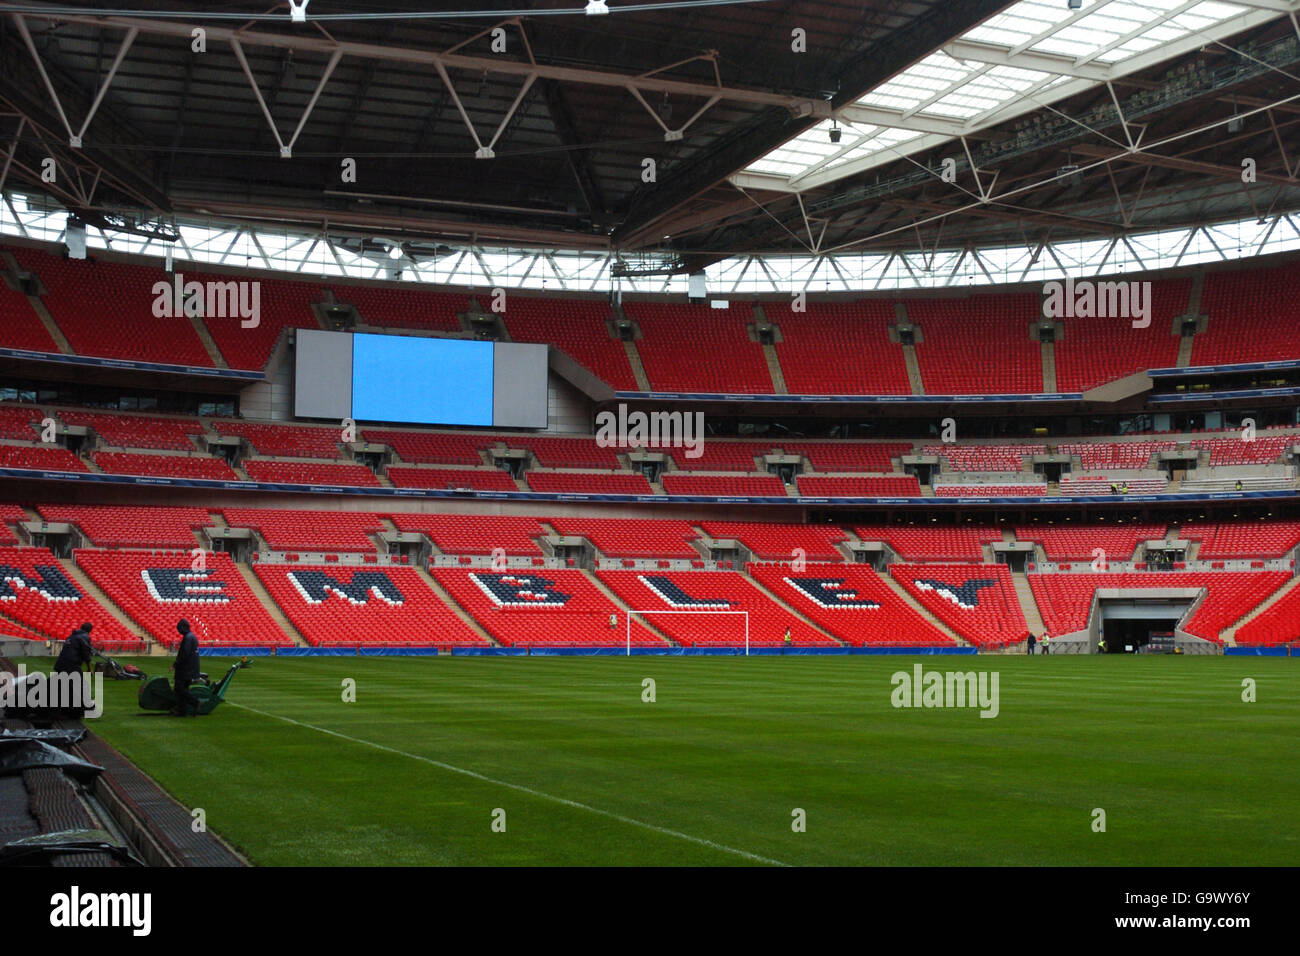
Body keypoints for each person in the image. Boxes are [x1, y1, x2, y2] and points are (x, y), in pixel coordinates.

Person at [171, 619, 201, 717]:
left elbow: (184, 654)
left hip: (185, 669)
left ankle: (195, 702)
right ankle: (182, 711)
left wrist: (176, 664)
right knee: (184, 689)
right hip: (191, 669)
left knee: (179, 688)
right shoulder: (192, 637)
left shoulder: (188, 638)